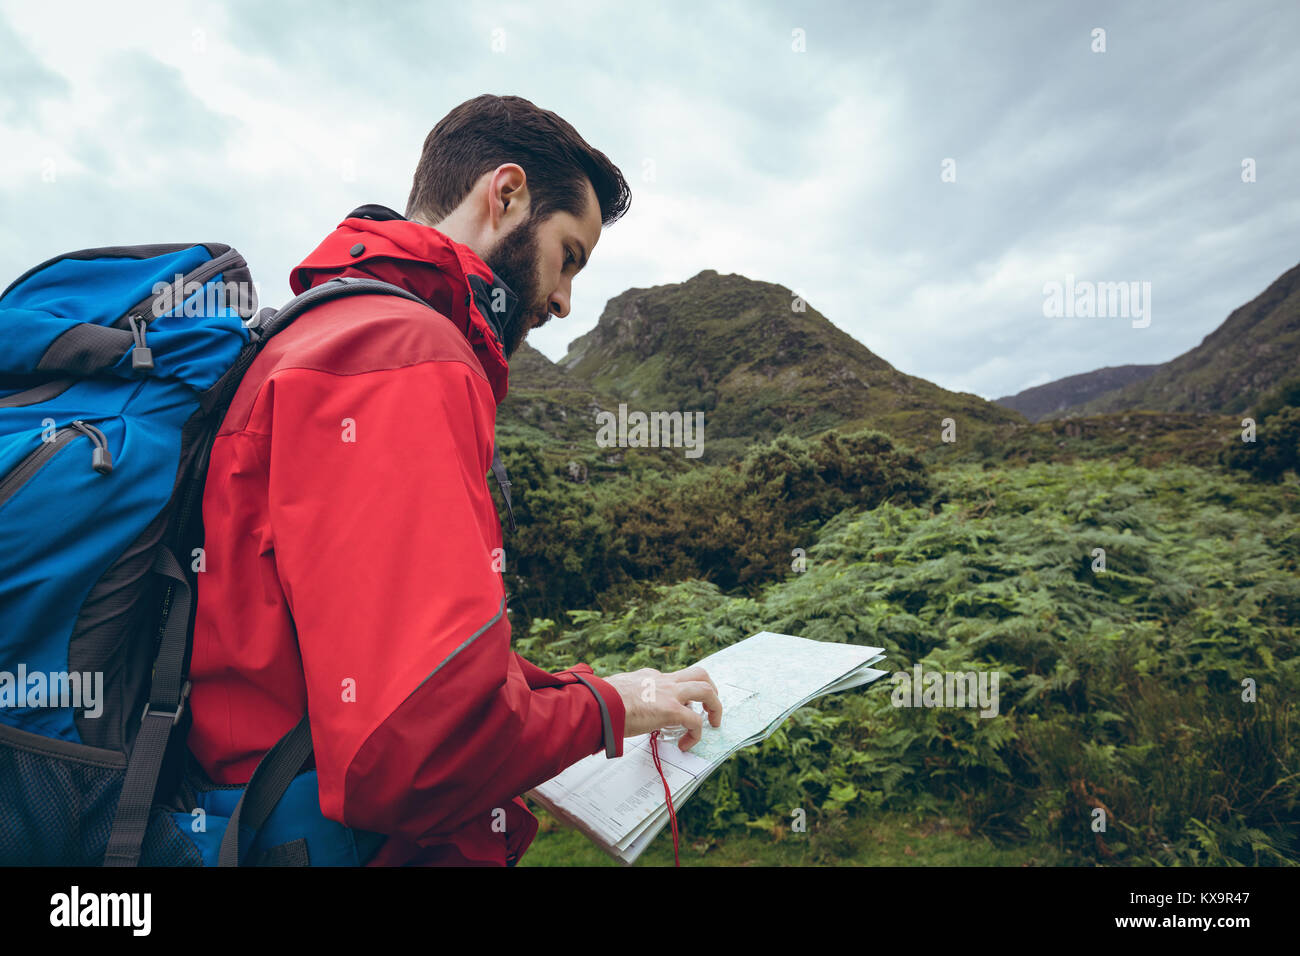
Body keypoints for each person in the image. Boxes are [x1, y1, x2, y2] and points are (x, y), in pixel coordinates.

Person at [187, 94, 721, 866]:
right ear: (505, 196)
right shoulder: (402, 352)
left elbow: (379, 665)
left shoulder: (324, 329)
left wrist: (597, 694)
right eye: (568, 256)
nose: (565, 300)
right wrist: (604, 710)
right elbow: (421, 750)